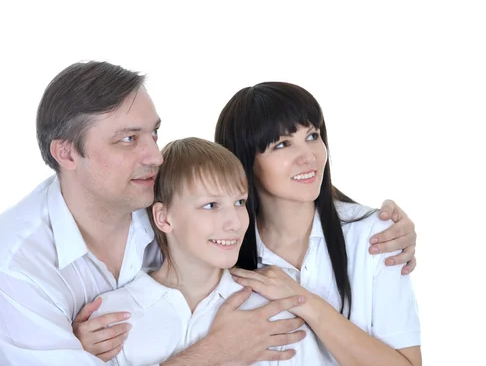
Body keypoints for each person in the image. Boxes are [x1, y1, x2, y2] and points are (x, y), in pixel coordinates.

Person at [0, 61, 416, 366]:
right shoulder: (17, 264)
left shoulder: (182, 222)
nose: (154, 155)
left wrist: (383, 223)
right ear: (66, 153)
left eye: (154, 133)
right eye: (128, 139)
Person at [215, 82, 422, 365]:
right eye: (283, 144)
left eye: (312, 136)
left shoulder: (374, 235)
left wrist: (304, 301)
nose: (309, 157)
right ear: (244, 160)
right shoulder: (220, 249)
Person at [90, 136, 327, 365]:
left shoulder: (271, 316)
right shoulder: (110, 320)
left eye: (239, 202)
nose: (235, 222)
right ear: (164, 218)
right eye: (211, 205)